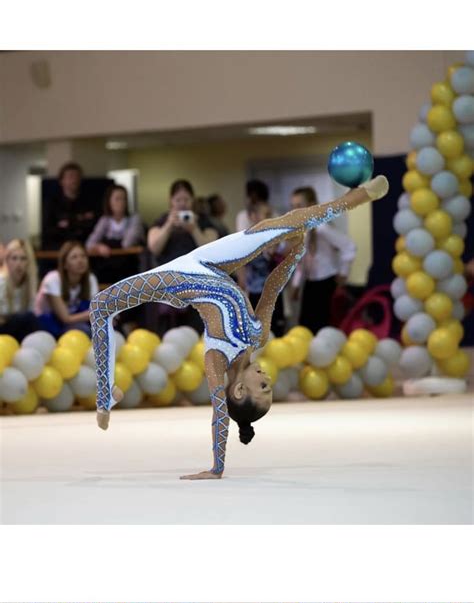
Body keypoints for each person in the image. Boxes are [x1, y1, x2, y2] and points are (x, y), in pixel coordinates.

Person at [90, 176, 389, 479]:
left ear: (240, 388)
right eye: (269, 385)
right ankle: (357, 197)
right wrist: (295, 254)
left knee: (100, 306)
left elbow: (220, 412)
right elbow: (272, 288)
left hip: (177, 280)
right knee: (281, 225)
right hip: (213, 263)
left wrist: (217, 466)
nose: (267, 378)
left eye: (263, 386)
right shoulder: (257, 336)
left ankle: (105, 398)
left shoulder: (216, 359)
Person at [147, 179, 218, 334]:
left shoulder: (203, 221)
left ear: (192, 200)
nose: (182, 204)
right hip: (169, 283)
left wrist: (194, 230)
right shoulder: (162, 221)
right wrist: (168, 226)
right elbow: (154, 247)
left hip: (197, 282)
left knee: (197, 327)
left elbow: (211, 249)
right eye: (178, 200)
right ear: (171, 201)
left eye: (186, 199)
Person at [289, 186, 357, 333]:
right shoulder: (302, 230)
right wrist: (296, 285)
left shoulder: (322, 228)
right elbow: (302, 259)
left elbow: (349, 246)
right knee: (305, 327)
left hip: (326, 284)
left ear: (311, 205)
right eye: (293, 206)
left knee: (324, 327)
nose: (295, 210)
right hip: (310, 284)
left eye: (299, 206)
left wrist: (343, 274)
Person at [236, 180, 285, 336]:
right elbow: (241, 259)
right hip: (255, 290)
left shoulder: (274, 233)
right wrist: (241, 279)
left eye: (269, 214)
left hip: (274, 290)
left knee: (276, 326)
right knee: (257, 326)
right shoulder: (247, 234)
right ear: (253, 216)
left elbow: (280, 254)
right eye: (265, 215)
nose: (268, 217)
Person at [35, 241, 99, 336]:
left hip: (75, 318)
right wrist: (98, 313)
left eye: (83, 256)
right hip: (47, 322)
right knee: (84, 330)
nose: (80, 261)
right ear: (64, 264)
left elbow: (94, 307)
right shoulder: (52, 279)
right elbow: (65, 318)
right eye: (74, 257)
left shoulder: (90, 278)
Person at [86, 184, 144, 283]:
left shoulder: (134, 219)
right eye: (117, 199)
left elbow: (126, 244)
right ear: (109, 201)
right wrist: (99, 247)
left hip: (129, 266)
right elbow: (89, 243)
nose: (121, 202)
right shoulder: (105, 220)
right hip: (108, 267)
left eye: (124, 199)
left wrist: (111, 244)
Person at [42, 162, 97, 249]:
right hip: (58, 249)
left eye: (77, 176)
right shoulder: (52, 204)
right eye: (70, 176)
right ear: (62, 181)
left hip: (83, 247)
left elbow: (93, 228)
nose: (74, 180)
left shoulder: (89, 203)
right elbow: (49, 230)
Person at [0, 239, 38, 339]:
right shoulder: (1, 282)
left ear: (28, 262)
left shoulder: (30, 285)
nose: (18, 263)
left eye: (23, 259)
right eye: (14, 258)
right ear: (7, 261)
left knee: (31, 319)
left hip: (18, 329)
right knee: (26, 318)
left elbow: (31, 311)